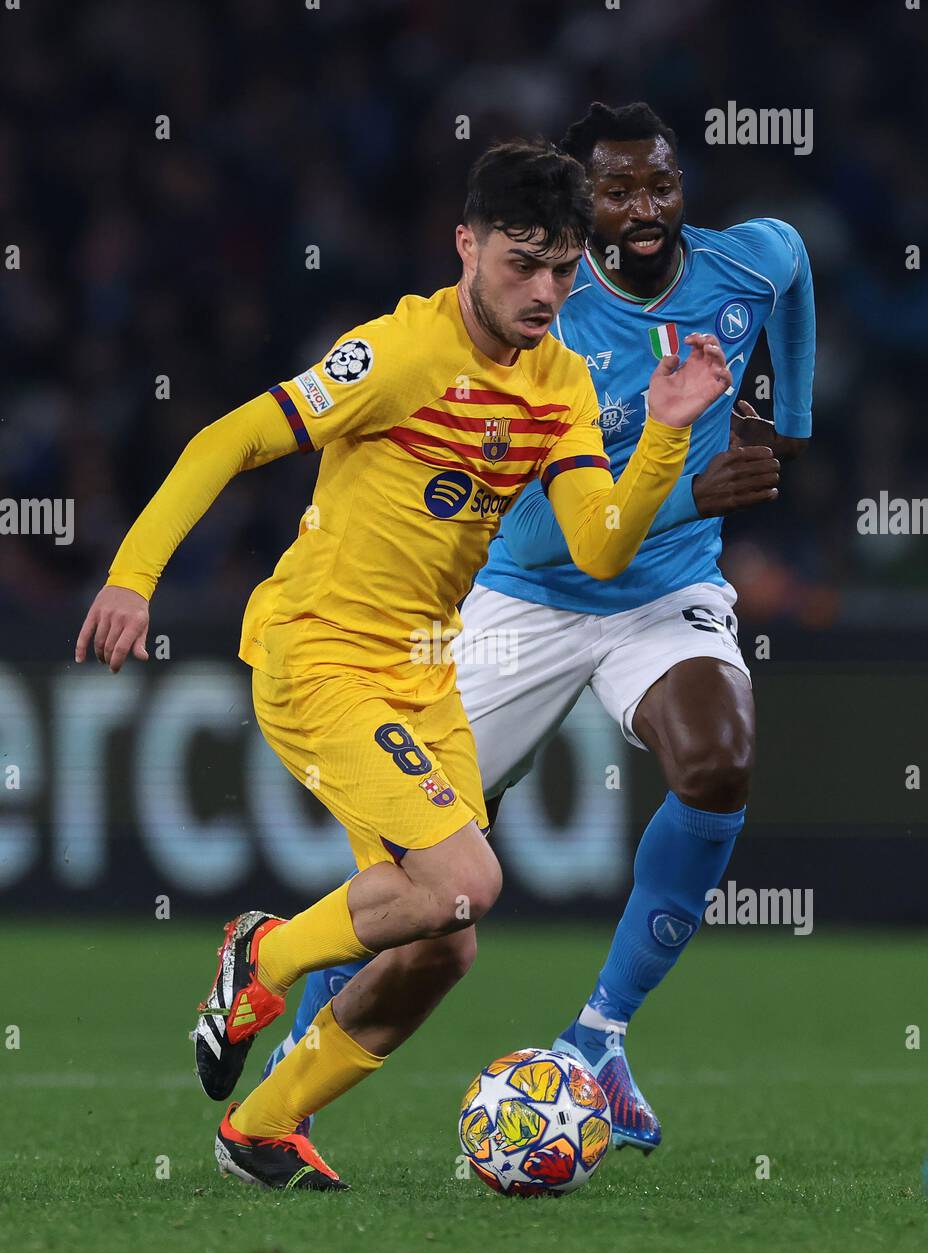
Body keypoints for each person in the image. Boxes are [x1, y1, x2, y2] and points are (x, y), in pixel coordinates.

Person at [74, 137, 732, 1190]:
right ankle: (264, 958)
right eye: (521, 261)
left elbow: (600, 544)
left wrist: (658, 436)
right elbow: (228, 439)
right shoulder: (396, 353)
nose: (545, 289)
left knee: (443, 939)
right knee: (466, 878)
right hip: (319, 652)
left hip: (423, 670)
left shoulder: (559, 381)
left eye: (563, 267)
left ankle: (261, 1125)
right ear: (465, 245)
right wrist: (131, 577)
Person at [277, 101, 815, 1156]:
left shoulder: (744, 265)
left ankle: (600, 1038)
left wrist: (785, 423)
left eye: (658, 184)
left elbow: (793, 268)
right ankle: (296, 1054)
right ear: (580, 206)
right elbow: (540, 520)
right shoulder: (546, 323)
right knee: (420, 868)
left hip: (664, 599)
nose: (644, 208)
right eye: (616, 191)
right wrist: (694, 492)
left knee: (719, 760)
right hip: (523, 595)